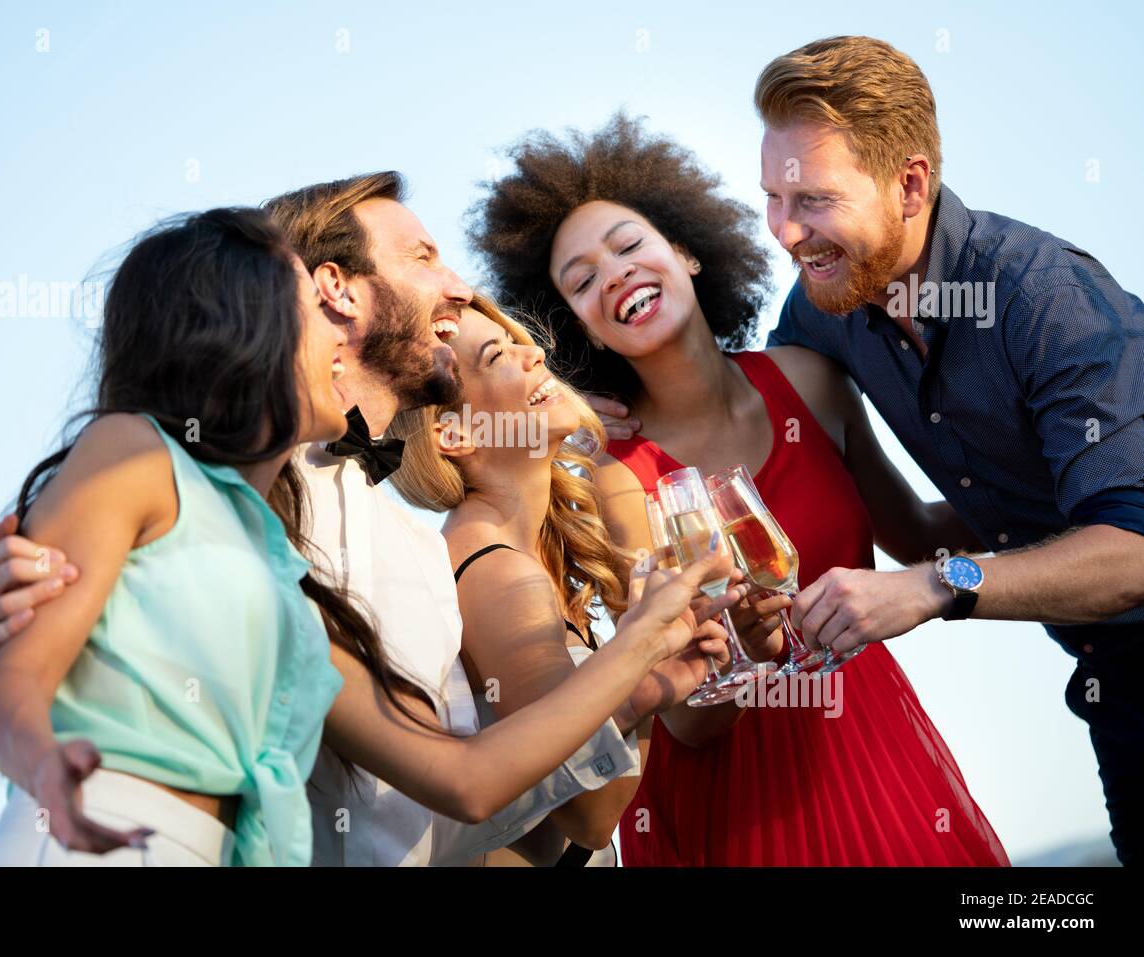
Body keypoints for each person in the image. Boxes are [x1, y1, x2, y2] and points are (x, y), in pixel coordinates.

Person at [0, 174, 732, 866]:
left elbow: (459, 791)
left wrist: (636, 675)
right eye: (423, 256)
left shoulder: (375, 573)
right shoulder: (160, 464)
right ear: (330, 293)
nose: (457, 286)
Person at [468, 111, 1010, 865]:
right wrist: (753, 652)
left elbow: (916, 534)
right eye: (582, 281)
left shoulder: (811, 381)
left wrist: (1062, 501)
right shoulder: (617, 478)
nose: (613, 274)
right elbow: (687, 720)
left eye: (628, 246)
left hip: (870, 743)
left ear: (687, 252)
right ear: (582, 328)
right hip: (734, 801)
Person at [749, 36, 1144, 865]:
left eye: (813, 199)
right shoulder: (824, 306)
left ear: (910, 184)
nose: (785, 232)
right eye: (774, 199)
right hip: (1116, 682)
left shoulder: (1046, 300)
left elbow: (1133, 552)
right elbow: (745, 402)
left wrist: (936, 586)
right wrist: (609, 392)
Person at [0, 207, 354, 866]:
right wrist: (45, 765)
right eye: (314, 307)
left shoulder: (271, 554)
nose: (337, 330)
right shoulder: (134, 453)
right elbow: (14, 683)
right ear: (249, 323)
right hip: (94, 837)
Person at [389, 295, 749, 864]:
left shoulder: (513, 553)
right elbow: (590, 817)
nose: (533, 354)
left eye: (519, 341)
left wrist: (655, 668)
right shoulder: (500, 571)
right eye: (496, 355)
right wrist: (643, 666)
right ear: (453, 435)